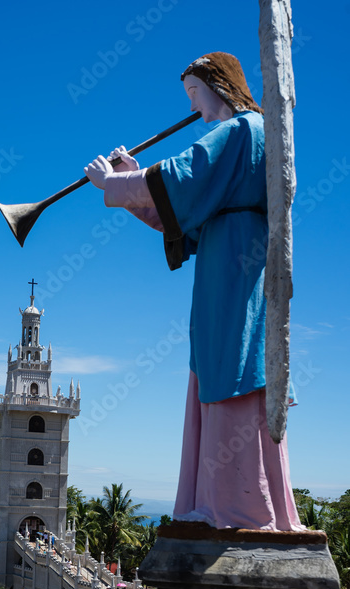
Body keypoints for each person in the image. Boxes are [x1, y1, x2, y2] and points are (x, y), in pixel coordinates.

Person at [84, 52, 303, 532]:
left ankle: (232, 507)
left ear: (219, 86)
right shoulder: (253, 138)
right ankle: (235, 502)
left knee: (230, 363)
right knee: (229, 362)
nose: (194, 106)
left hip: (231, 274)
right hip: (229, 259)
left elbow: (183, 176)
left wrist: (114, 181)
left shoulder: (239, 129)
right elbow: (181, 217)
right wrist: (133, 181)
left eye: (195, 93)